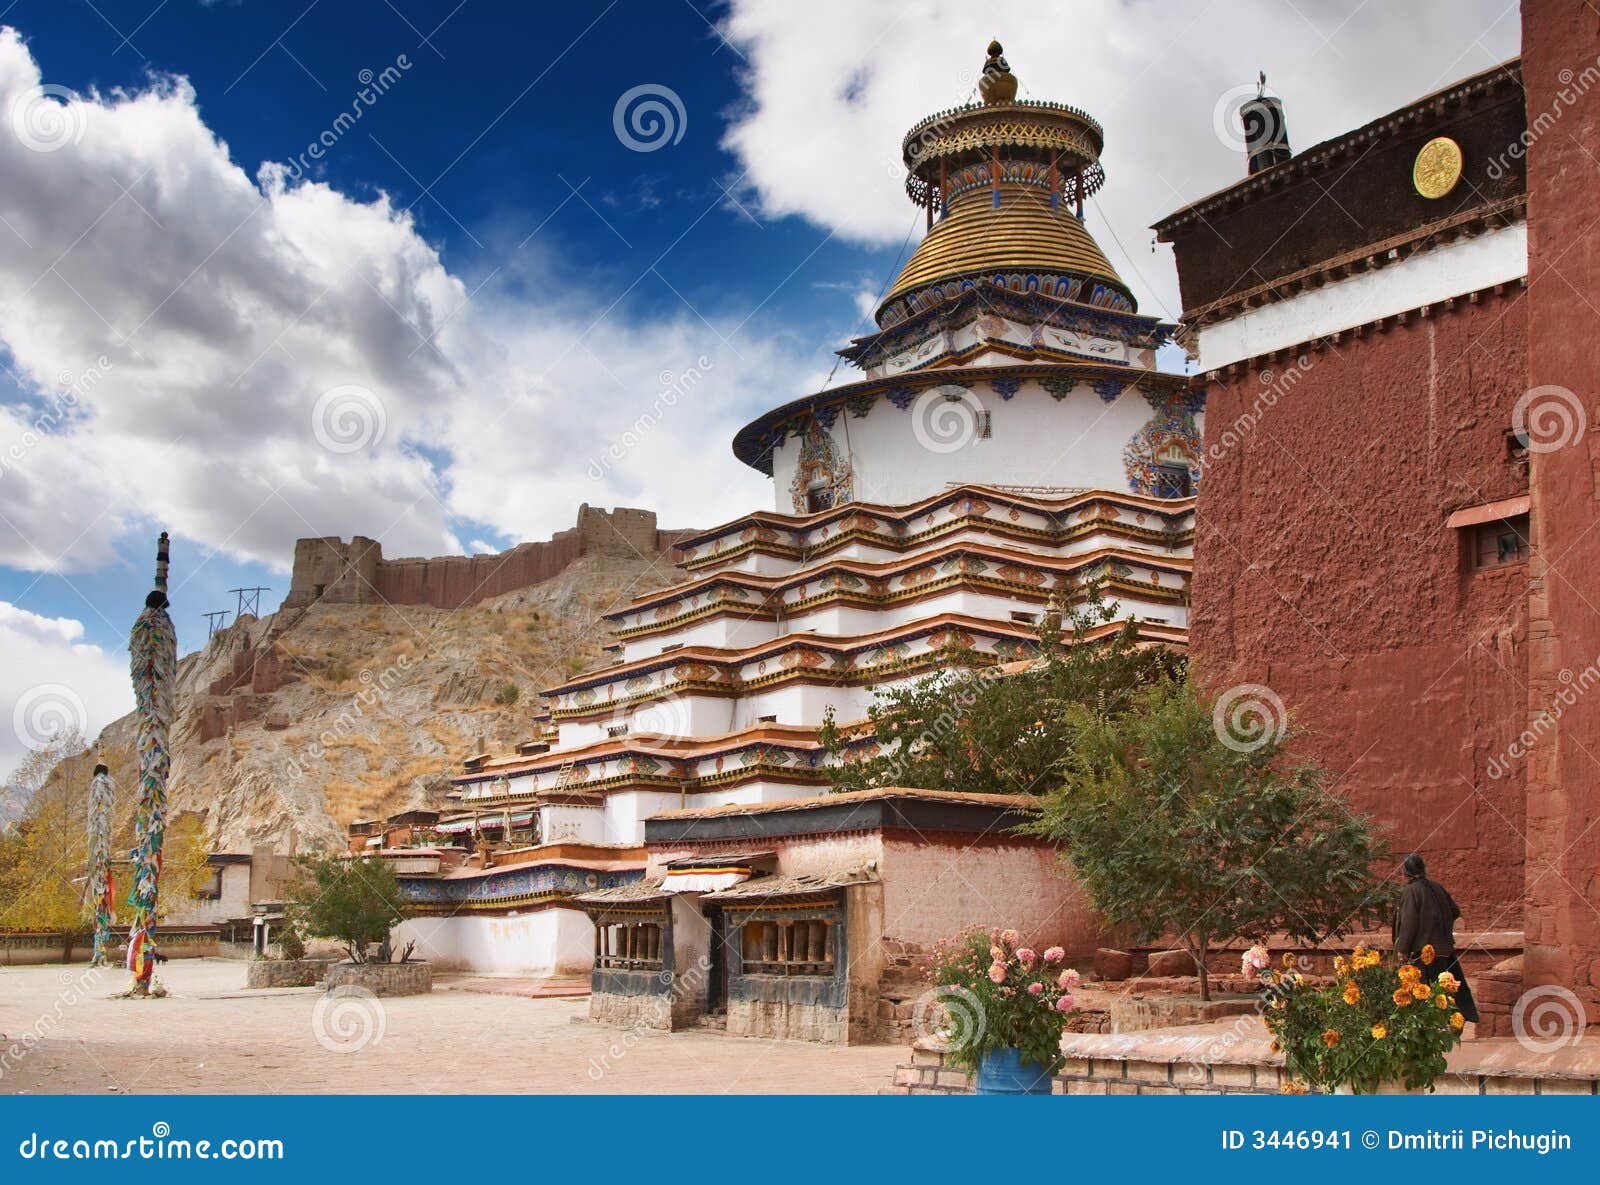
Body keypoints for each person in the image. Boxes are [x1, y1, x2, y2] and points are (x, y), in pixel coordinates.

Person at [1392, 853, 1479, 1023]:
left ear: (1406, 872)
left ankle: (1431, 1025)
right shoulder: (1437, 887)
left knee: (1424, 991)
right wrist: (1438, 926)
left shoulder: (1411, 891)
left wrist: (1402, 949)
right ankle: (1450, 1021)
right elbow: (1454, 911)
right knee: (1444, 989)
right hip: (1444, 949)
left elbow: (1409, 922)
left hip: (1423, 951)